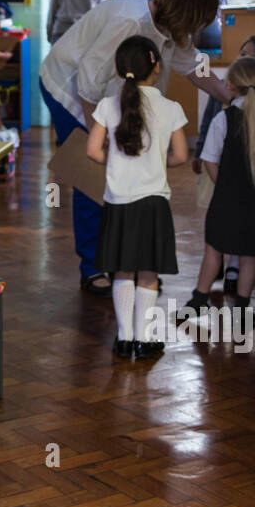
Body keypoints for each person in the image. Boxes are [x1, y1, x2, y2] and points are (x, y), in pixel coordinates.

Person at [39, 0, 232, 295]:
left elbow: (194, 67)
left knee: (119, 175)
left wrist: (229, 95)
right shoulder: (129, 21)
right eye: (198, 23)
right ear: (187, 15)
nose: (198, 30)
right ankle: (92, 267)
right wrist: (96, 134)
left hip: (111, 98)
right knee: (93, 176)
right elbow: (88, 82)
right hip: (68, 88)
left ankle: (121, 262)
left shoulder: (169, 27)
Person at [86, 37, 188, 360]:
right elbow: (182, 155)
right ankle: (144, 339)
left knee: (122, 271)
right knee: (148, 272)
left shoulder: (107, 105)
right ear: (156, 67)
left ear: (119, 72)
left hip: (118, 202)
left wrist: (115, 161)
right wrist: (159, 162)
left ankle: (124, 338)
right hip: (153, 203)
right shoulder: (171, 108)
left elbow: (92, 151)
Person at [187, 56, 255, 327]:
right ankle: (243, 309)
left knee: (214, 250)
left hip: (227, 200)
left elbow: (210, 158)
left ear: (230, 85)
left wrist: (223, 183)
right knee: (248, 255)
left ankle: (198, 302)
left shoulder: (223, 119)